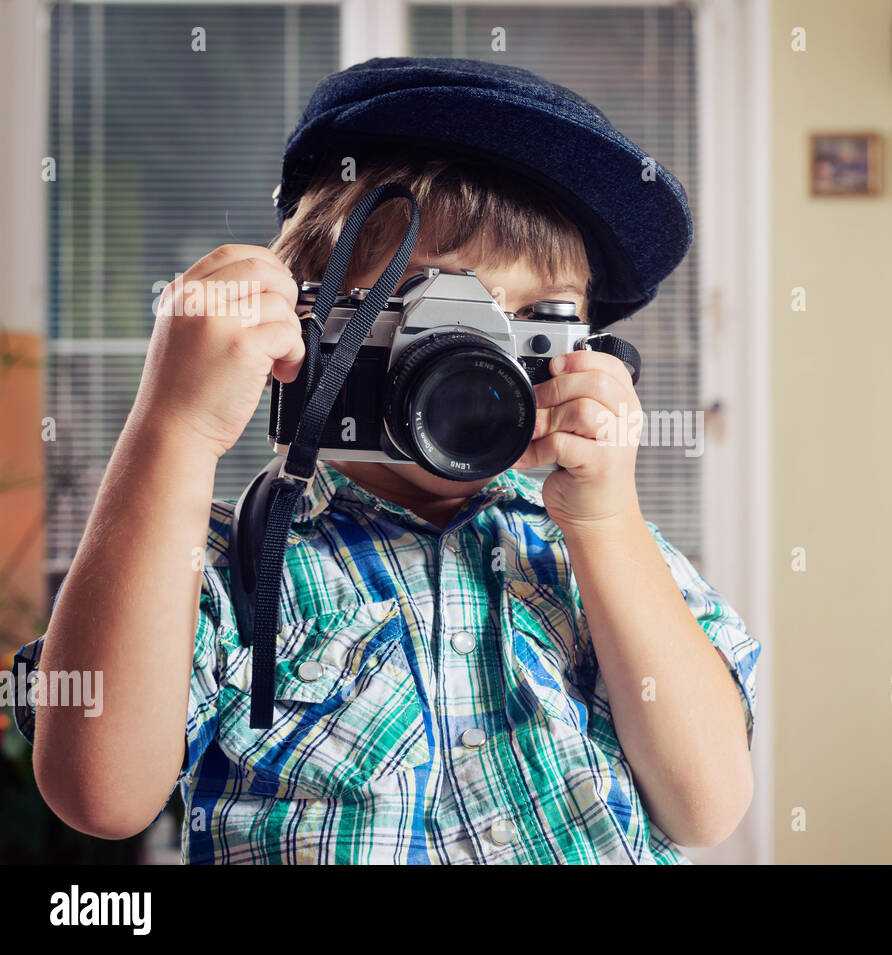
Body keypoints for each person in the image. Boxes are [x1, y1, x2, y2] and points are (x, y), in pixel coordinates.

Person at [10, 57, 760, 864]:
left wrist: (608, 523)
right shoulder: (228, 565)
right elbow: (100, 793)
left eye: (536, 316)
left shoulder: (609, 557)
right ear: (306, 325)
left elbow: (707, 808)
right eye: (433, 305)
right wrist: (174, 426)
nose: (483, 357)